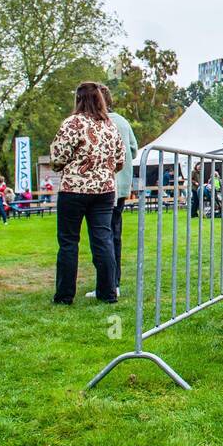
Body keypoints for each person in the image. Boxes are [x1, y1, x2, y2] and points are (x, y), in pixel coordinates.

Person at [50, 81, 123, 304]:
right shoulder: (110, 126)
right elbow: (120, 160)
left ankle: (64, 295)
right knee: (103, 240)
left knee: (69, 241)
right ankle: (108, 291)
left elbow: (57, 158)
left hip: (74, 189)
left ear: (79, 99)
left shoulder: (72, 123)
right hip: (104, 190)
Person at [99, 84, 138, 295]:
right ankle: (115, 281)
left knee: (103, 234)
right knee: (115, 232)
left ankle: (108, 283)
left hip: (104, 185)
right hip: (122, 185)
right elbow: (134, 148)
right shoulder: (123, 122)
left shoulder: (99, 122)